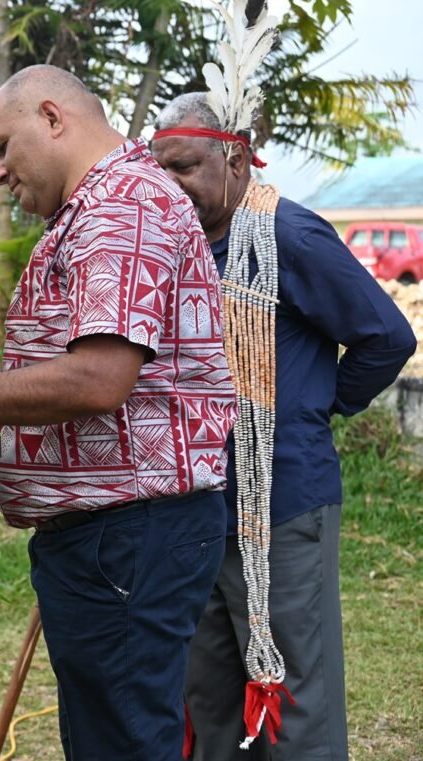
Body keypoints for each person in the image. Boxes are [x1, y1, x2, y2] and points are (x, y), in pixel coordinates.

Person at [0, 64, 237, 760]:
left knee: (123, 742)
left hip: (128, 534)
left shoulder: (122, 207)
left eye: (2, 146)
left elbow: (99, 380)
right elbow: (46, 385)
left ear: (53, 117)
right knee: (106, 737)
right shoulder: (94, 210)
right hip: (113, 535)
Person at [151, 92, 416, 760]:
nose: (171, 185)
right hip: (196, 508)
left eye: (184, 166)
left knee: (294, 703)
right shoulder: (178, 247)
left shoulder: (290, 237)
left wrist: (308, 409)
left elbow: (385, 337)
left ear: (235, 157)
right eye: (161, 170)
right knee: (207, 699)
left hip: (284, 504)